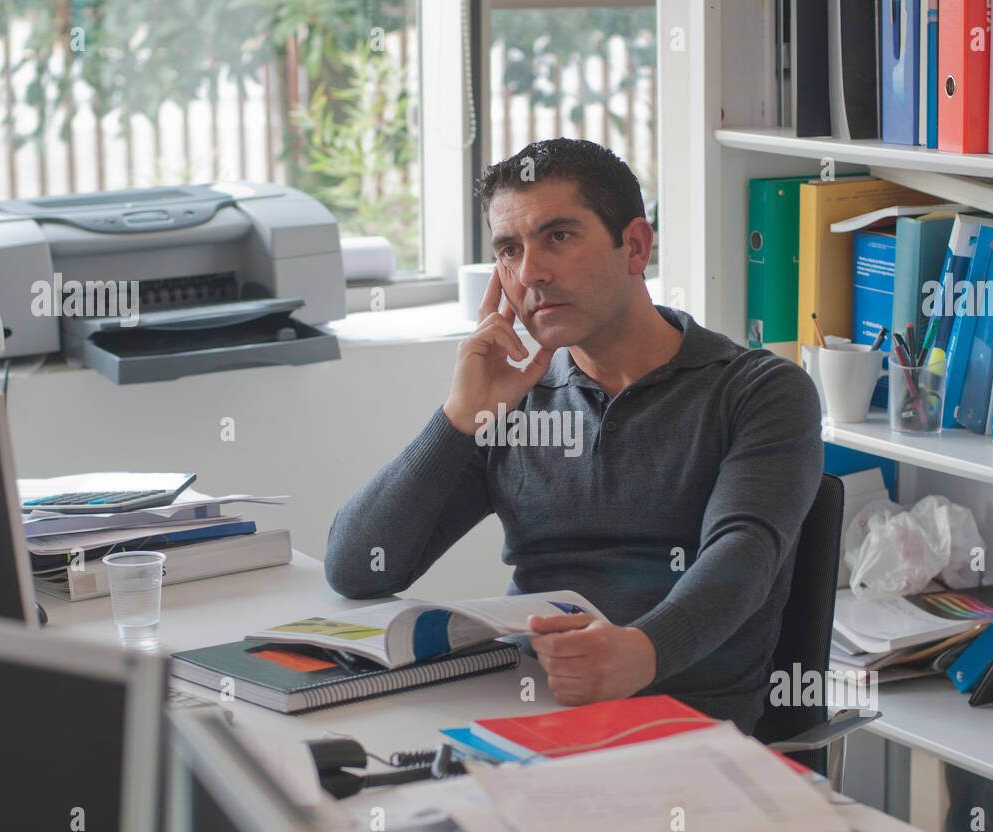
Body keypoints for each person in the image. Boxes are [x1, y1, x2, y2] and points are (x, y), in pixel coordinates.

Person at [325, 138, 823, 732]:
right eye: (510, 250)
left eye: (558, 236)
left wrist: (642, 651)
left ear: (635, 246)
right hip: (520, 712)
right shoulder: (511, 401)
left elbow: (743, 557)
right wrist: (459, 419)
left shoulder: (759, 390)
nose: (531, 272)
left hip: (682, 731)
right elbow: (358, 569)